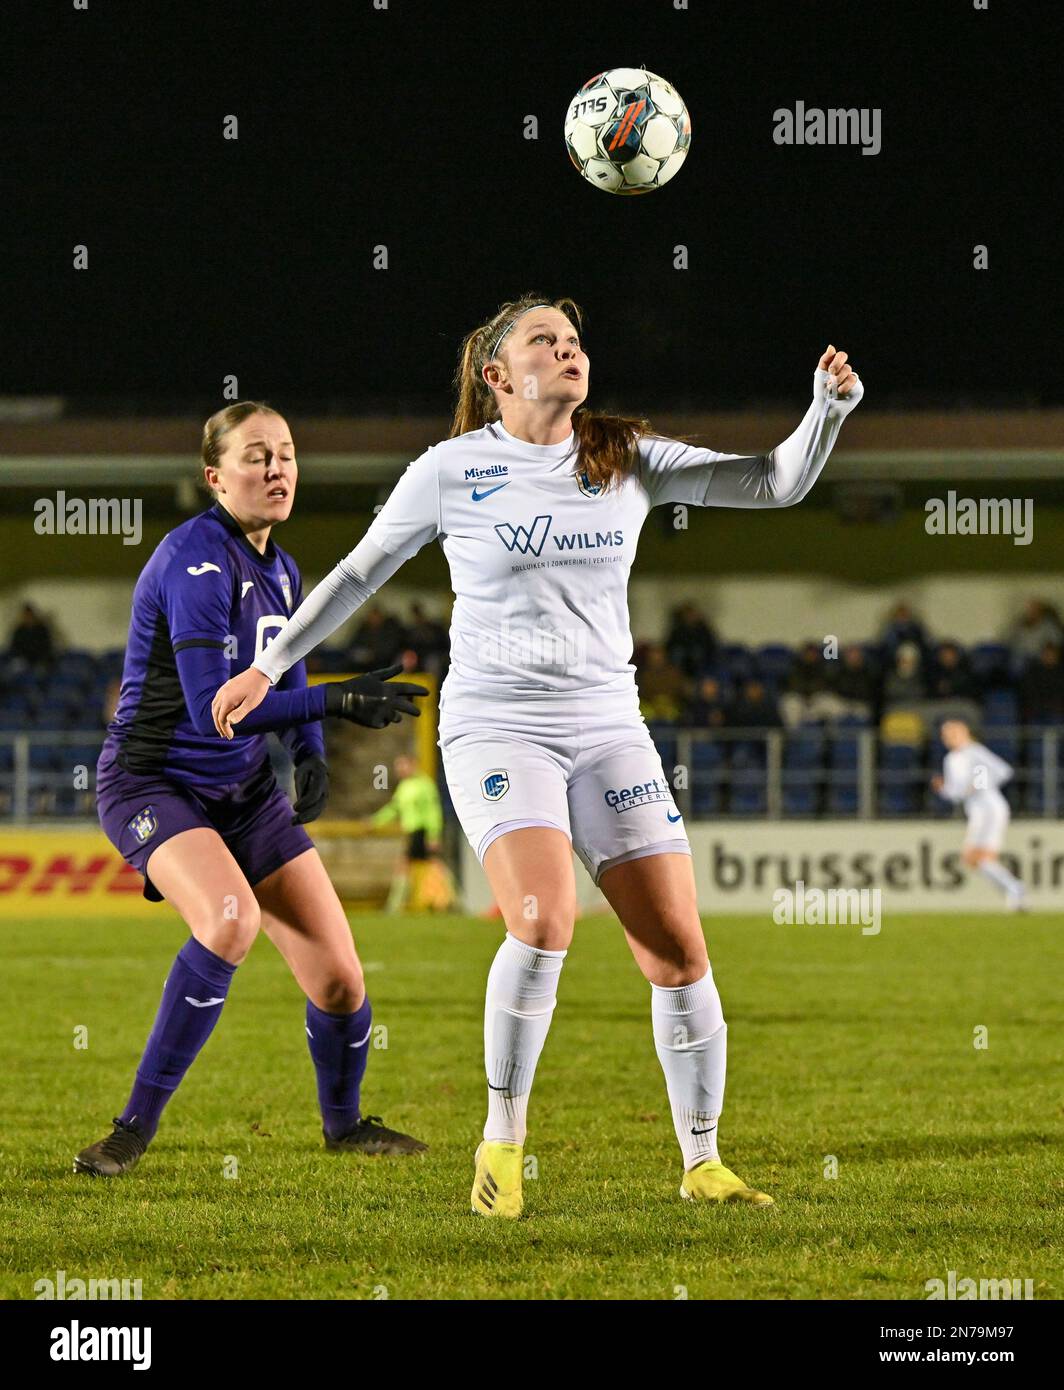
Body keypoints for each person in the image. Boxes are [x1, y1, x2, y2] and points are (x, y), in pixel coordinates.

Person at [212, 295, 864, 1216]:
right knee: (543, 915)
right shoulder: (451, 470)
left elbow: (774, 482)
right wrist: (267, 668)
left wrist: (826, 412)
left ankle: (703, 1162)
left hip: (608, 725)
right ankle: (503, 1144)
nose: (568, 352)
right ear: (496, 376)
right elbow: (360, 571)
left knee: (678, 952)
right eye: (544, 341)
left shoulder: (623, 455)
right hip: (497, 723)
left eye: (575, 341)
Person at [75, 402, 429, 1177]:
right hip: (152, 784)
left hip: (240, 793)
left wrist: (305, 750)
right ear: (215, 477)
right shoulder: (193, 561)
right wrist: (336, 703)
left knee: (339, 981)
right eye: (257, 456)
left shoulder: (283, 565)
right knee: (229, 922)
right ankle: (131, 1130)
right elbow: (222, 705)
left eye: (288, 454)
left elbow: (285, 660)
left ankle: (345, 1126)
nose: (277, 469)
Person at [931, 719, 1027, 911]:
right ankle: (1014, 890)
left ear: (965, 733)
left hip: (990, 809)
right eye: (945, 735)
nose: (948, 738)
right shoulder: (951, 759)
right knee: (976, 859)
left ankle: (1014, 890)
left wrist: (978, 784)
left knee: (976, 857)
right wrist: (943, 789)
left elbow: (1003, 772)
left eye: (953, 733)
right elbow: (957, 794)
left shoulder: (974, 752)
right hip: (977, 811)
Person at [371, 752, 456, 912]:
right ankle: (450, 901)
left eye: (403, 765)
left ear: (413, 765)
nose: (400, 769)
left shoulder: (425, 785)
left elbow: (433, 812)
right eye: (398, 766)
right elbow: (393, 808)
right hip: (412, 832)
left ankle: (394, 905)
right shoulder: (404, 787)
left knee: (406, 865)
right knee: (433, 865)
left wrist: (433, 836)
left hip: (422, 831)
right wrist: (376, 821)